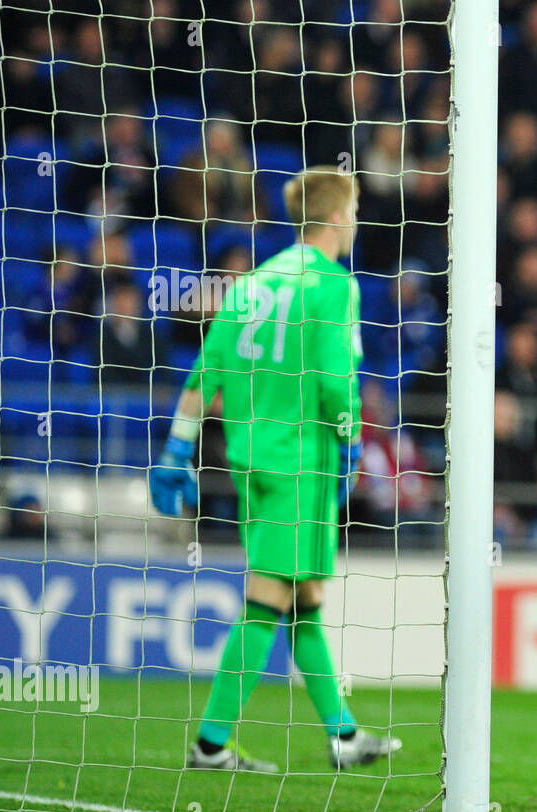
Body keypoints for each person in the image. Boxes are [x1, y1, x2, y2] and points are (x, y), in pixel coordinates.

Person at [148, 166, 401, 773]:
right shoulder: (334, 285)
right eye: (356, 210)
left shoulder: (249, 284)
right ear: (341, 216)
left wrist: (177, 450)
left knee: (304, 595)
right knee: (269, 595)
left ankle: (343, 736)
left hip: (249, 459)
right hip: (300, 462)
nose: (357, 221)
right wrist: (350, 446)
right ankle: (210, 744)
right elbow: (335, 380)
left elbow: (201, 376)